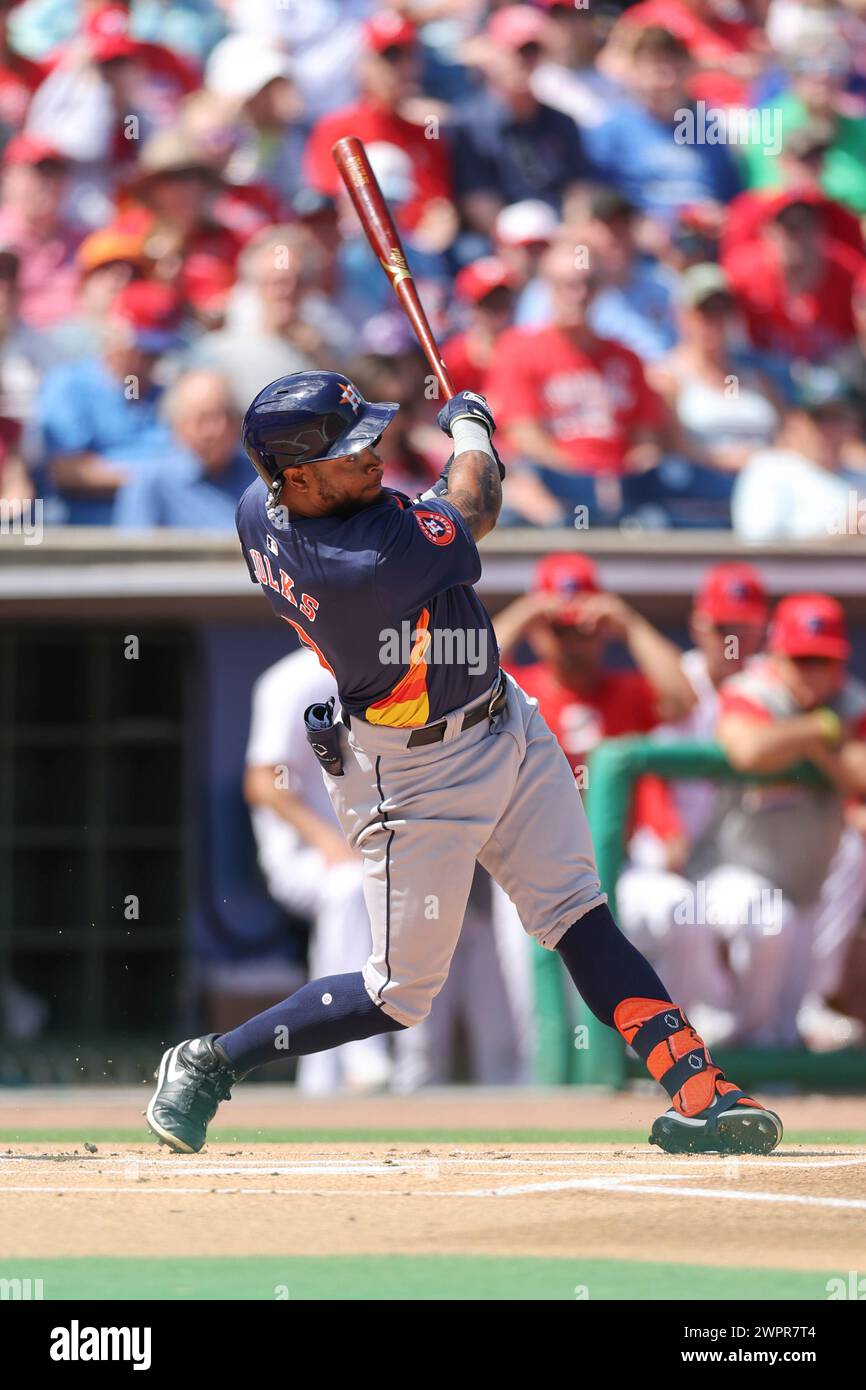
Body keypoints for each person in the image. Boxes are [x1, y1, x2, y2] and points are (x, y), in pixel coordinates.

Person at [145, 368, 782, 1159]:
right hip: (413, 776)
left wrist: (447, 446)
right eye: (351, 450)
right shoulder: (363, 562)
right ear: (298, 476)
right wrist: (473, 425)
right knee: (397, 995)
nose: (373, 454)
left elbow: (429, 504)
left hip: (502, 717)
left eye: (371, 437)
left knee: (577, 912)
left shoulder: (260, 507)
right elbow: (475, 502)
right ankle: (211, 1061)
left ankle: (697, 1087)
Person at [707, 594, 866, 1045]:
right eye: (801, 659)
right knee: (767, 918)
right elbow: (748, 749)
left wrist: (805, 736)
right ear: (777, 655)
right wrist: (819, 730)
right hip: (729, 876)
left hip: (805, 888)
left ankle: (771, 1062)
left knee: (786, 1026)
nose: (812, 673)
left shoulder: (850, 700)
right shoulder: (751, 690)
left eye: (822, 660)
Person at [243, 647, 393, 1094]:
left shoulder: (386, 667)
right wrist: (329, 842)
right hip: (304, 853)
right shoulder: (290, 679)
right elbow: (262, 782)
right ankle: (358, 1049)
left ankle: (324, 1075)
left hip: (372, 847)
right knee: (349, 890)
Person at [484, 241, 666, 526]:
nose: (578, 294)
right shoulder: (518, 349)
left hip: (622, 489)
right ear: (547, 288)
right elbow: (525, 437)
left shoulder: (627, 358)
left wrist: (623, 478)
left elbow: (647, 442)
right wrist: (591, 480)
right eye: (566, 284)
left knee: (659, 515)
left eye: (588, 284)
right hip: (553, 482)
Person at [34, 280, 181, 524]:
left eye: (158, 354)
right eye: (143, 352)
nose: (151, 362)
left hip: (163, 526)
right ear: (115, 338)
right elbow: (66, 471)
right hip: (88, 529)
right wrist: (153, 478)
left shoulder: (166, 392)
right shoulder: (70, 384)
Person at [452, 5, 588, 235]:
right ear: (493, 53)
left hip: (558, 239)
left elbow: (579, 192)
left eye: (534, 51)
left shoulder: (562, 122)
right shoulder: (468, 124)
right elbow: (478, 202)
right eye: (518, 51)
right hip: (502, 246)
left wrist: (568, 239)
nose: (525, 61)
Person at [731, 372, 866, 542]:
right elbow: (758, 548)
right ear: (796, 421)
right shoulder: (769, 470)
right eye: (820, 418)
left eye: (838, 418)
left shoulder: (861, 477)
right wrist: (841, 536)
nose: (830, 429)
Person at [114, 369, 250, 529]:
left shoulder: (260, 479)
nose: (218, 429)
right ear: (178, 425)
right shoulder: (151, 483)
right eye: (204, 419)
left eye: (228, 415)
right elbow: (133, 550)